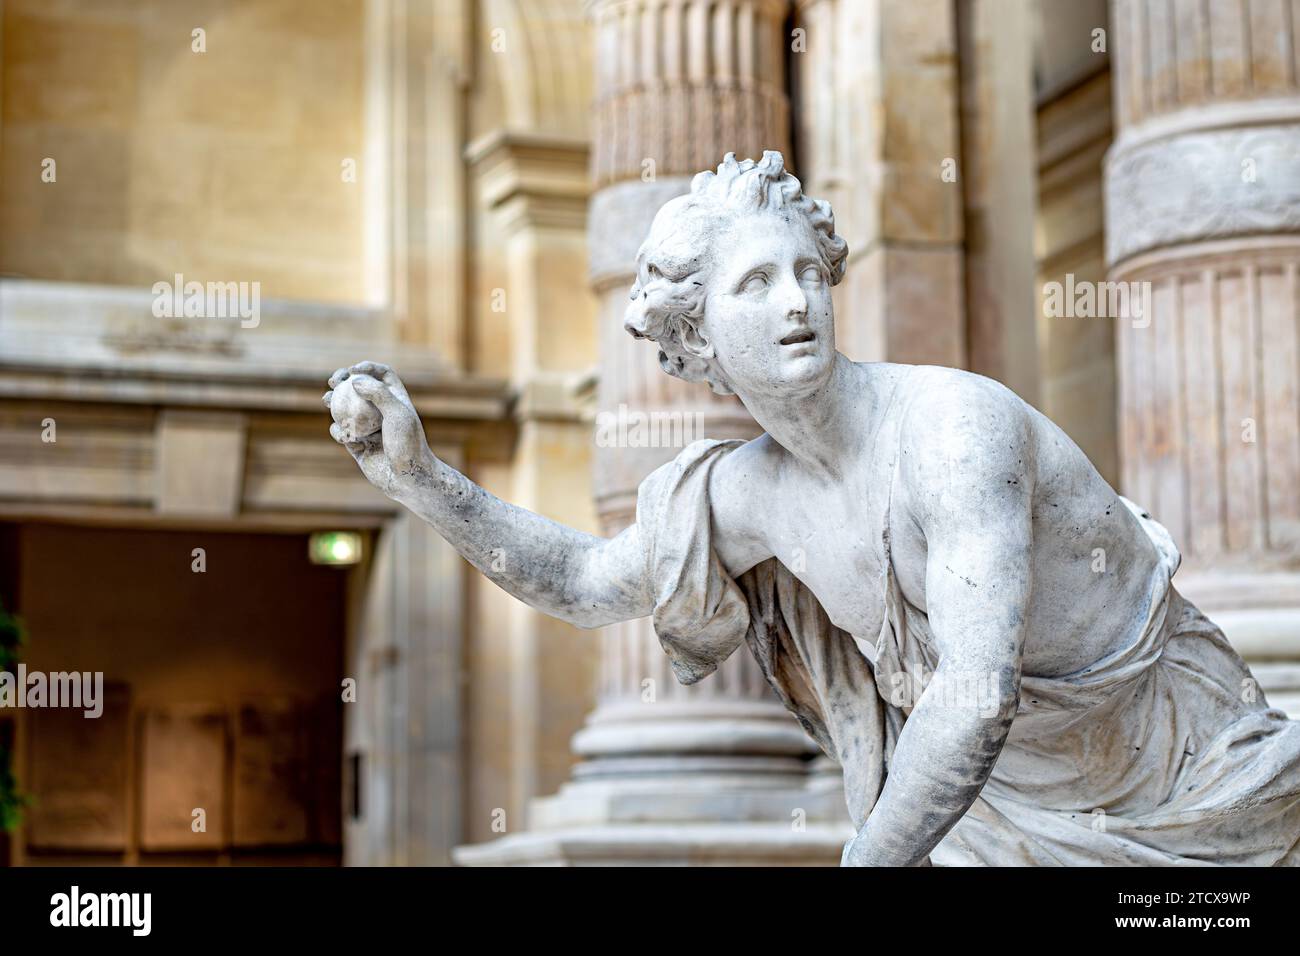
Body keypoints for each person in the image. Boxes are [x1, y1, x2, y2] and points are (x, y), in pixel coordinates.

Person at [326, 151, 1300, 866]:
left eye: (805, 272)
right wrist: (420, 478)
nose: (795, 301)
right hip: (999, 810)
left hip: (1181, 779)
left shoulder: (953, 430)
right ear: (694, 338)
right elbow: (584, 580)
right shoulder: (748, 493)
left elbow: (974, 693)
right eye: (754, 283)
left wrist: (870, 859)